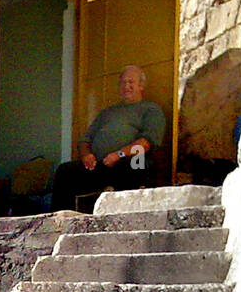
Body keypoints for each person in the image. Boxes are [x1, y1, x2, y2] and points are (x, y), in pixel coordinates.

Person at [52, 65, 166, 211]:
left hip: (128, 162)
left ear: (141, 85)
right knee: (65, 171)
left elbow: (145, 144)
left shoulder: (151, 109)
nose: (126, 86)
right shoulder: (108, 112)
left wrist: (118, 155)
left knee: (137, 163)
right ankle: (60, 220)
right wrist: (86, 155)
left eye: (131, 82)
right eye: (123, 83)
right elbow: (85, 140)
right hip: (100, 164)